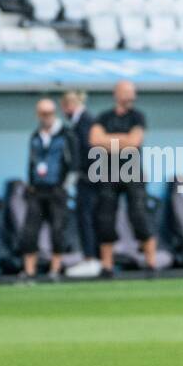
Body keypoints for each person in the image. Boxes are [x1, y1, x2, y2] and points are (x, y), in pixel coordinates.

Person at [90, 80, 156, 278]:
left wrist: (109, 140)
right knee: (105, 219)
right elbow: (95, 141)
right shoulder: (104, 117)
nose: (131, 97)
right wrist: (122, 140)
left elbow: (133, 143)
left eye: (133, 93)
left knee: (139, 216)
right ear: (117, 94)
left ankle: (151, 263)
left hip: (132, 173)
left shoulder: (137, 117)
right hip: (108, 173)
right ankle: (107, 265)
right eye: (127, 93)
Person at [19, 98, 76, 282]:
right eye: (43, 114)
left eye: (50, 113)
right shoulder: (35, 136)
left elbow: (74, 163)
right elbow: (31, 162)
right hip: (37, 189)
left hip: (56, 189)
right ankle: (29, 271)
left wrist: (66, 186)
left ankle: (55, 269)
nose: (47, 117)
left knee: (58, 230)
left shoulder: (66, 135)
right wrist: (30, 183)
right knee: (30, 231)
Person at [61, 89, 101, 275]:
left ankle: (91, 259)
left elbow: (86, 150)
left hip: (89, 178)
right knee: (86, 217)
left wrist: (76, 173)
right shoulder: (80, 122)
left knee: (86, 217)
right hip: (89, 176)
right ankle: (91, 257)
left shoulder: (84, 121)